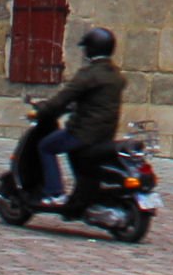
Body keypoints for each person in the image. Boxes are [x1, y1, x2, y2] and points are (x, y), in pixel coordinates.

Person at [31, 26, 124, 213]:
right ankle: (83, 193)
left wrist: (44, 110)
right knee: (72, 152)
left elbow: (63, 98)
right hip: (105, 134)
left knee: (45, 146)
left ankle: (54, 192)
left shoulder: (88, 75)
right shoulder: (115, 76)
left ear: (91, 49)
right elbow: (97, 102)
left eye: (86, 48)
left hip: (83, 133)